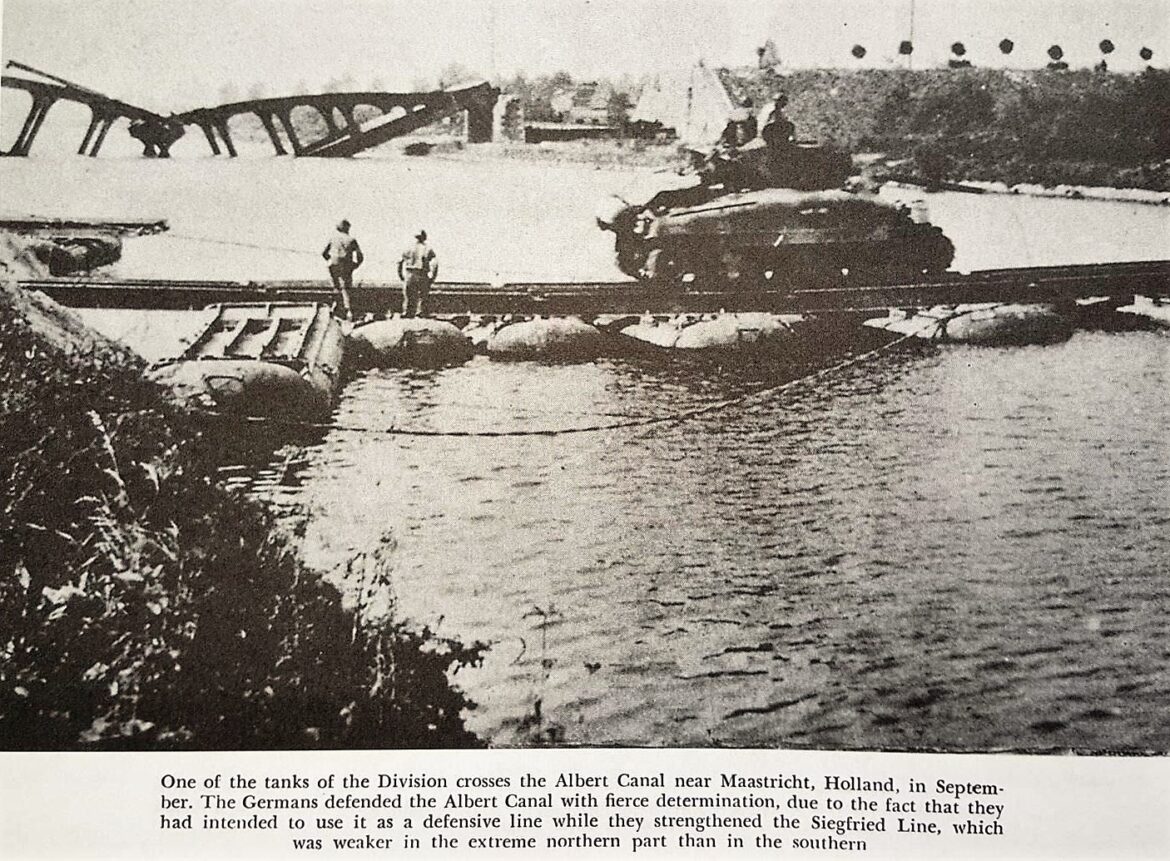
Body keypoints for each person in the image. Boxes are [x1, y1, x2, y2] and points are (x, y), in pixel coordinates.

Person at [322, 219, 363, 320]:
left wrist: (331, 260)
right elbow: (360, 256)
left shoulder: (332, 239)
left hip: (333, 265)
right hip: (346, 265)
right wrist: (355, 265)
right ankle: (349, 311)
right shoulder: (351, 240)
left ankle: (335, 308)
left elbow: (324, 253)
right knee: (346, 288)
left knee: (336, 287)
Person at [398, 229, 438, 318]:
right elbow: (435, 264)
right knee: (422, 296)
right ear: (424, 237)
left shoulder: (408, 248)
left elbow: (400, 263)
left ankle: (407, 313)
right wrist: (433, 277)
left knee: (408, 296)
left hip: (410, 274)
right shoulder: (428, 249)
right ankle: (420, 312)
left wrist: (401, 276)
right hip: (422, 274)